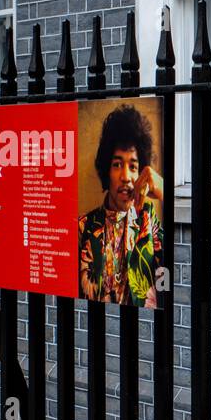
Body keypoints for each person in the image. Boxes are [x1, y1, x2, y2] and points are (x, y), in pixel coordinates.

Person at [78, 103, 163, 306]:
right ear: (106, 170)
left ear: (142, 172)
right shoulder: (83, 228)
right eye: (117, 164)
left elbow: (171, 281)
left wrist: (164, 192)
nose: (126, 177)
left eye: (133, 166)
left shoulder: (149, 221)